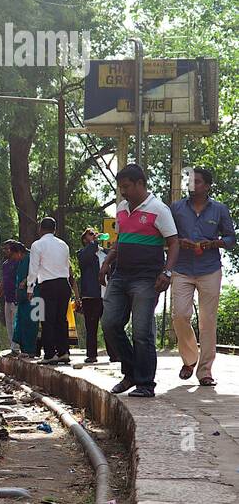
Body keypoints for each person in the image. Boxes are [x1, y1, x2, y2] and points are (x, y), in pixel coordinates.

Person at [100, 164, 180, 398]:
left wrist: (166, 273)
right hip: (120, 275)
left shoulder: (159, 209)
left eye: (126, 187)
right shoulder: (122, 209)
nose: (123, 191)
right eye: (120, 187)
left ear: (140, 183)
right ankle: (132, 372)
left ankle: (145, 383)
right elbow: (120, 240)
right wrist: (106, 262)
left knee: (142, 332)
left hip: (147, 278)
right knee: (110, 323)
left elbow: (173, 243)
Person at [169, 166, 235, 387]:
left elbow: (231, 238)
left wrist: (214, 243)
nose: (191, 185)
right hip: (182, 268)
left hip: (210, 269)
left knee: (208, 322)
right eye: (189, 181)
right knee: (180, 315)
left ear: (207, 186)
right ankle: (189, 359)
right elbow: (167, 236)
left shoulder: (220, 209)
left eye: (196, 181)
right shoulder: (176, 208)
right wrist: (180, 242)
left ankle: (205, 371)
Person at [27, 217, 73, 364]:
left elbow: (33, 268)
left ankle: (49, 354)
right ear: (55, 230)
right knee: (61, 319)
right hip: (64, 285)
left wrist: (30, 287)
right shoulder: (63, 245)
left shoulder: (37, 245)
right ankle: (63, 351)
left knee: (47, 319)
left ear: (40, 229)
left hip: (48, 285)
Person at [75, 227, 105, 364]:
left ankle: (115, 353)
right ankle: (91, 354)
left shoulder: (104, 253)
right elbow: (86, 256)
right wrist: (94, 243)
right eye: (90, 234)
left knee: (110, 325)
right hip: (91, 295)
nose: (94, 236)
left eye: (95, 234)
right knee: (91, 327)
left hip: (106, 294)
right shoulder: (82, 254)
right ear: (84, 239)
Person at [9, 241, 40, 358]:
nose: (12, 258)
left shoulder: (31, 258)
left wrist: (26, 281)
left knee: (31, 323)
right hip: (23, 298)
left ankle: (31, 349)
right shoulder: (21, 261)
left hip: (33, 296)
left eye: (12, 254)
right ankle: (24, 349)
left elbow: (36, 271)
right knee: (22, 322)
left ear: (18, 252)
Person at [0, 239, 21, 353]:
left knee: (16, 324)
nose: (5, 251)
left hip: (16, 299)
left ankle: (17, 347)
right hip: (7, 298)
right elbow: (3, 281)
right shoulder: (5, 264)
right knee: (9, 324)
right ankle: (13, 347)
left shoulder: (19, 263)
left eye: (7, 249)